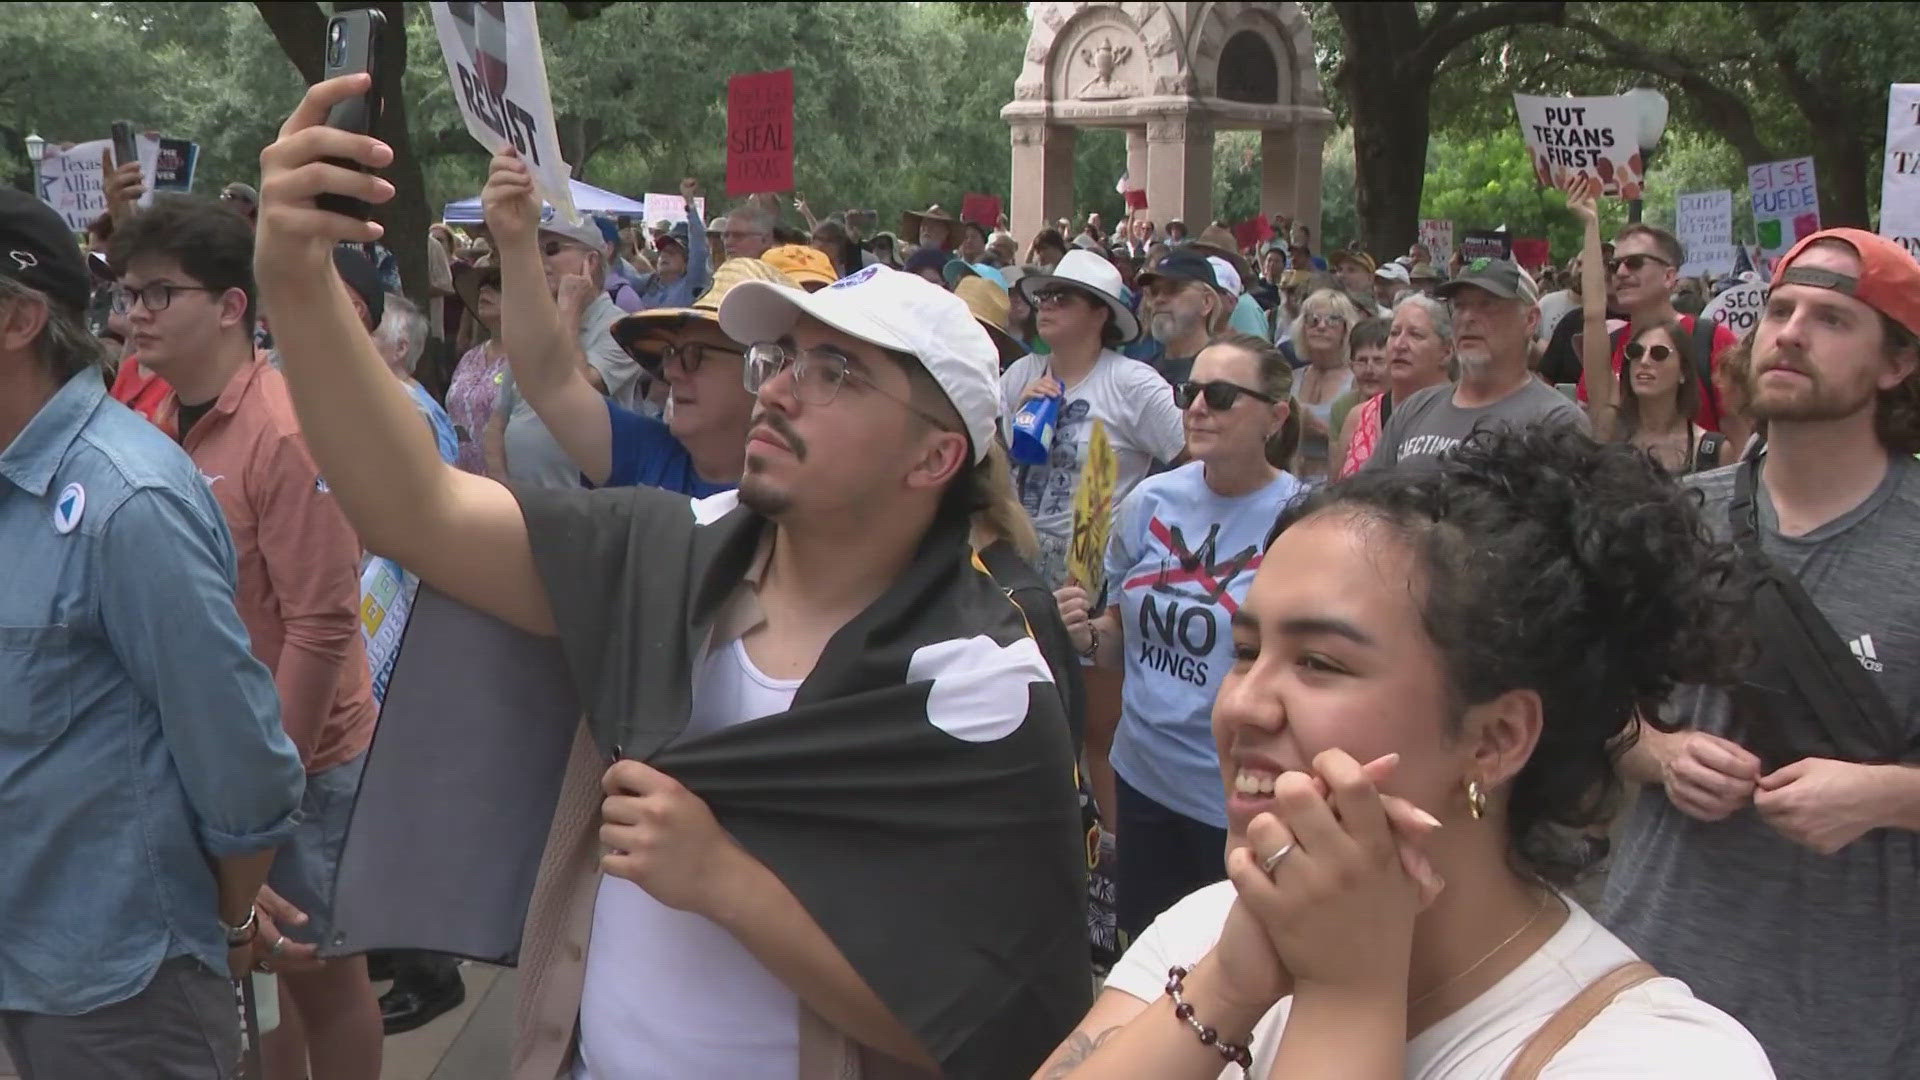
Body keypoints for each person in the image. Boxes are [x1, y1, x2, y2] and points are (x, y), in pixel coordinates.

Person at [254, 77, 1091, 1077]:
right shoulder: (673, 553)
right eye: (785, 356)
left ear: (934, 460)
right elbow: (415, 512)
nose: (778, 387)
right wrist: (296, 276)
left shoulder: (980, 685)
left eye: (838, 373)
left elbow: (985, 1034)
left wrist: (725, 880)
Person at [1034, 424, 1773, 1080]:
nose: (1243, 706)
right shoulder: (1217, 925)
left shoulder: (1659, 1056)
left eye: (1321, 663)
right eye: (1247, 650)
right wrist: (1227, 988)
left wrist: (1347, 992)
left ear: (1496, 738)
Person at [0, 187, 303, 1080]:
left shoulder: (128, 501)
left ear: (18, 320)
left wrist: (234, 917)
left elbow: (244, 763)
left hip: (119, 991)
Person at [1603, 228, 1920, 1079]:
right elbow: (1583, 710)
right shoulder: (1673, 518)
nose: (1789, 332)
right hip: (1651, 992)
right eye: (1780, 310)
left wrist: (1884, 796)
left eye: (1832, 319)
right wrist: (1660, 753)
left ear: (1896, 365)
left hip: (1849, 1025)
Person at [110, 196, 383, 1080]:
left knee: (324, 977)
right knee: (258, 976)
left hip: (306, 760)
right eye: (129, 292)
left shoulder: (285, 431)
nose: (136, 312)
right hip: (220, 760)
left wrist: (274, 779)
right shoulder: (153, 419)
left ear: (232, 306)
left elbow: (323, 619)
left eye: (160, 293)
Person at [1053, 333, 1304, 942]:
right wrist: (1085, 637)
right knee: (1148, 958)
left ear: (1275, 416)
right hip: (1143, 776)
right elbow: (1123, 637)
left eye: (1219, 396)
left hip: (1236, 795)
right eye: (1189, 392)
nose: (1196, 408)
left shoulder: (1301, 518)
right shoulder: (1150, 500)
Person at [1002, 249, 1185, 588]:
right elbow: (984, 465)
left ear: (1100, 315)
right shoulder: (1019, 374)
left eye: (1063, 298)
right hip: (1011, 557)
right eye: (1044, 296)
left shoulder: (1131, 382)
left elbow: (1194, 458)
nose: (1047, 305)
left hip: (1088, 572)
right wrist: (1010, 421)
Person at [1367, 259, 1588, 473]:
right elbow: (1365, 499)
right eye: (1460, 306)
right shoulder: (1415, 408)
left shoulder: (1556, 420)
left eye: (1487, 305)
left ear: (1530, 320)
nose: (1468, 317)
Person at [1575, 211, 1736, 433]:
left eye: (1635, 263)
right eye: (1614, 265)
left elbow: (1738, 439)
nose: (1620, 273)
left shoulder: (1713, 339)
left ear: (1669, 277)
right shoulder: (1609, 344)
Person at [1336, 294, 1455, 479]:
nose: (1400, 345)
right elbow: (1334, 496)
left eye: (1416, 335)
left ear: (1446, 351)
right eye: (1394, 333)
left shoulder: (1461, 415)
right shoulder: (1359, 416)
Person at [1287, 288, 1365, 482]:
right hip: (1290, 483)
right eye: (1313, 319)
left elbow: (1363, 443)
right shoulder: (1292, 378)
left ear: (1346, 329)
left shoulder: (1358, 381)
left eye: (1332, 320)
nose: (1321, 326)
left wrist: (1319, 429)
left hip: (1333, 486)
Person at [445, 259, 510, 478]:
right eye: (483, 285)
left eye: (497, 285)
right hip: (460, 478)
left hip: (508, 484)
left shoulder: (529, 360)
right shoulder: (470, 357)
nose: (484, 290)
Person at [1138, 250, 1229, 386]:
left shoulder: (1228, 371)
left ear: (1206, 302)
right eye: (1154, 292)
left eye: (1173, 288)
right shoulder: (1142, 373)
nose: (1159, 299)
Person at [631, 178, 711, 312]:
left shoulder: (690, 285)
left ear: (686, 262)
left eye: (672, 252)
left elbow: (699, 247)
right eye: (662, 251)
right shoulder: (648, 283)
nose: (664, 256)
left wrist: (690, 203)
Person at [1325, 316, 1390, 476]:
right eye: (1361, 361)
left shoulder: (1405, 405)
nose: (1369, 369)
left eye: (1379, 361)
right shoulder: (1343, 407)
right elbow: (1335, 473)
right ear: (1351, 365)